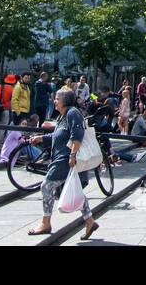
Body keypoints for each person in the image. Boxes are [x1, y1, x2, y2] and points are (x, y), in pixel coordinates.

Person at [27, 88, 99, 240]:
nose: (54, 101)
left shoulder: (72, 113)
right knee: (76, 191)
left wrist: (72, 155)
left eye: (57, 99)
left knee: (46, 186)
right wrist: (42, 138)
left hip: (65, 159)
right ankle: (90, 221)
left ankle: (45, 223)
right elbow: (58, 135)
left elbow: (77, 135)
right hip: (63, 158)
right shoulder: (63, 116)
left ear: (64, 101)